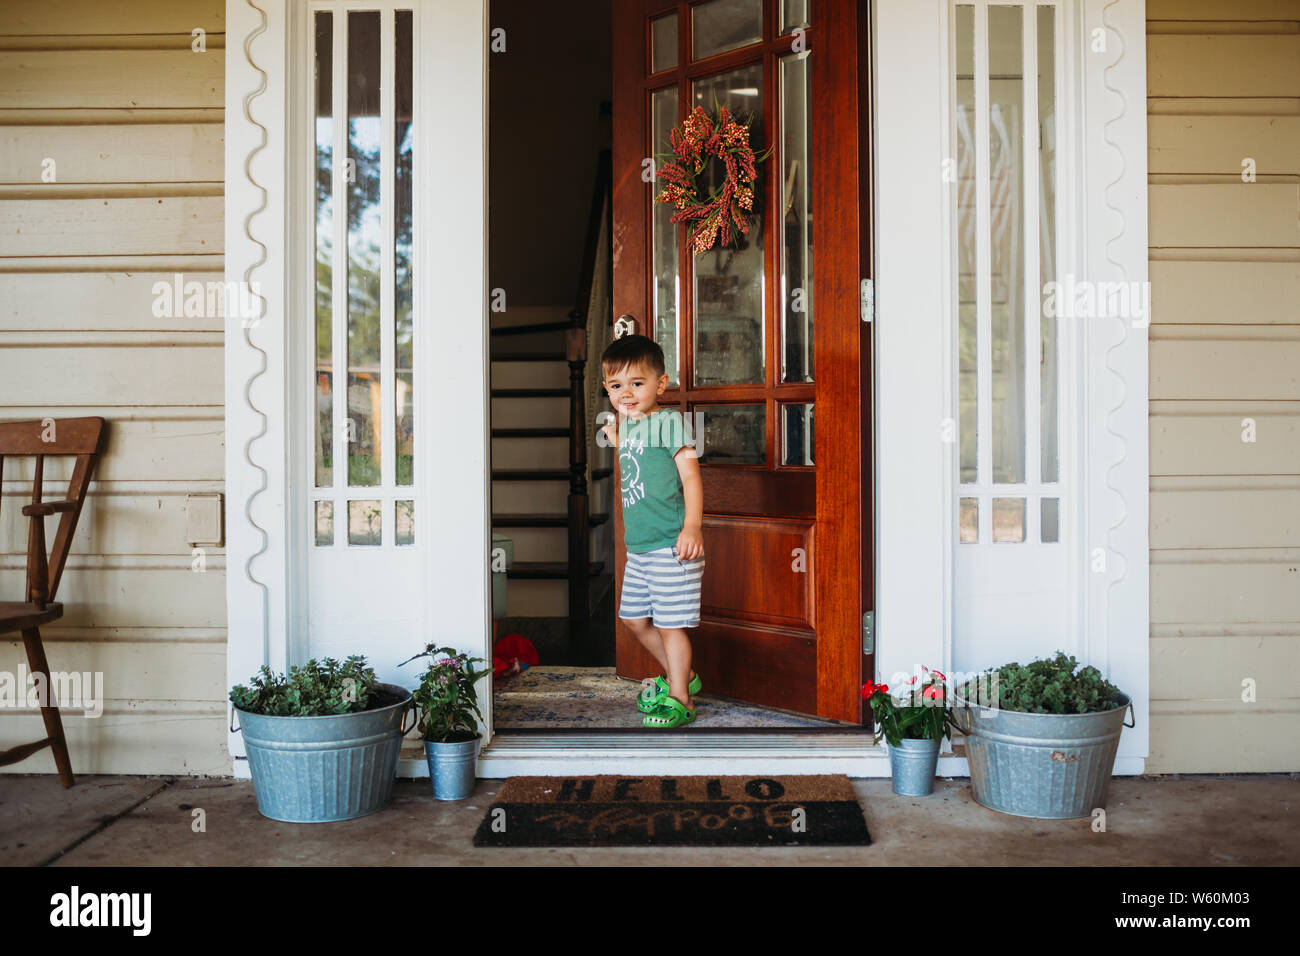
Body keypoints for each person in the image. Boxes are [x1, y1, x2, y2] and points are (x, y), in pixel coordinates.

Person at [600, 334, 705, 728]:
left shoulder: (670, 422)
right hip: (639, 548)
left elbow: (690, 479)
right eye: (615, 386)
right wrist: (615, 437)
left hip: (671, 545)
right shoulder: (626, 427)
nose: (625, 393)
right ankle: (685, 676)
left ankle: (681, 698)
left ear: (660, 385)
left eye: (636, 384)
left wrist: (692, 526)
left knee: (668, 624)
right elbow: (637, 461)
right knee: (633, 620)